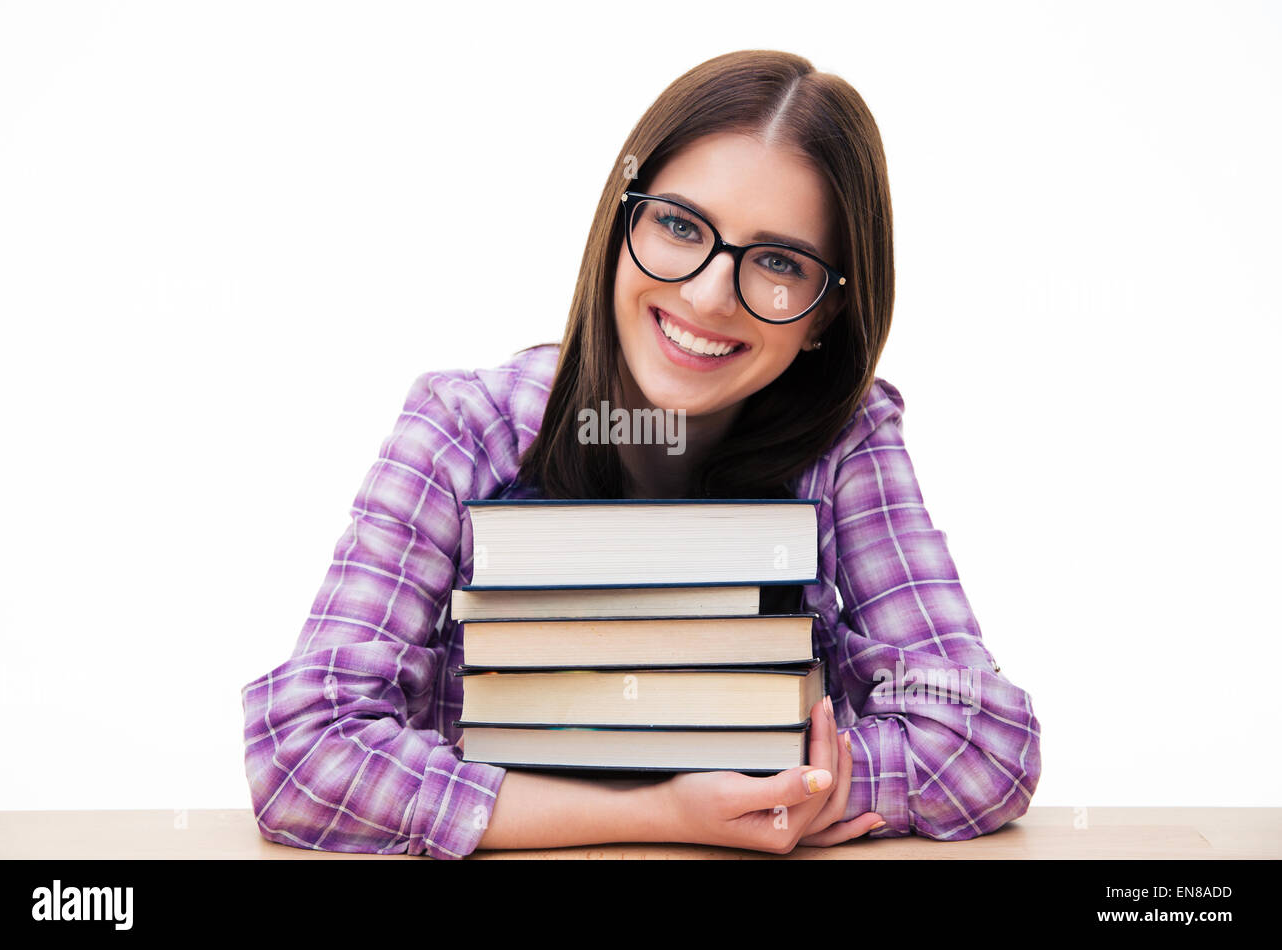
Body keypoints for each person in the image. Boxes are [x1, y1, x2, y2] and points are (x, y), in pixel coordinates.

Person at [240, 49, 1042, 859]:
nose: (705, 297)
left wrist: (775, 788)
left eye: (777, 262)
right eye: (679, 225)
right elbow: (303, 754)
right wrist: (666, 810)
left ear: (825, 315)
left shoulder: (846, 439)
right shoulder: (462, 428)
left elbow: (983, 738)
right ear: (620, 224)